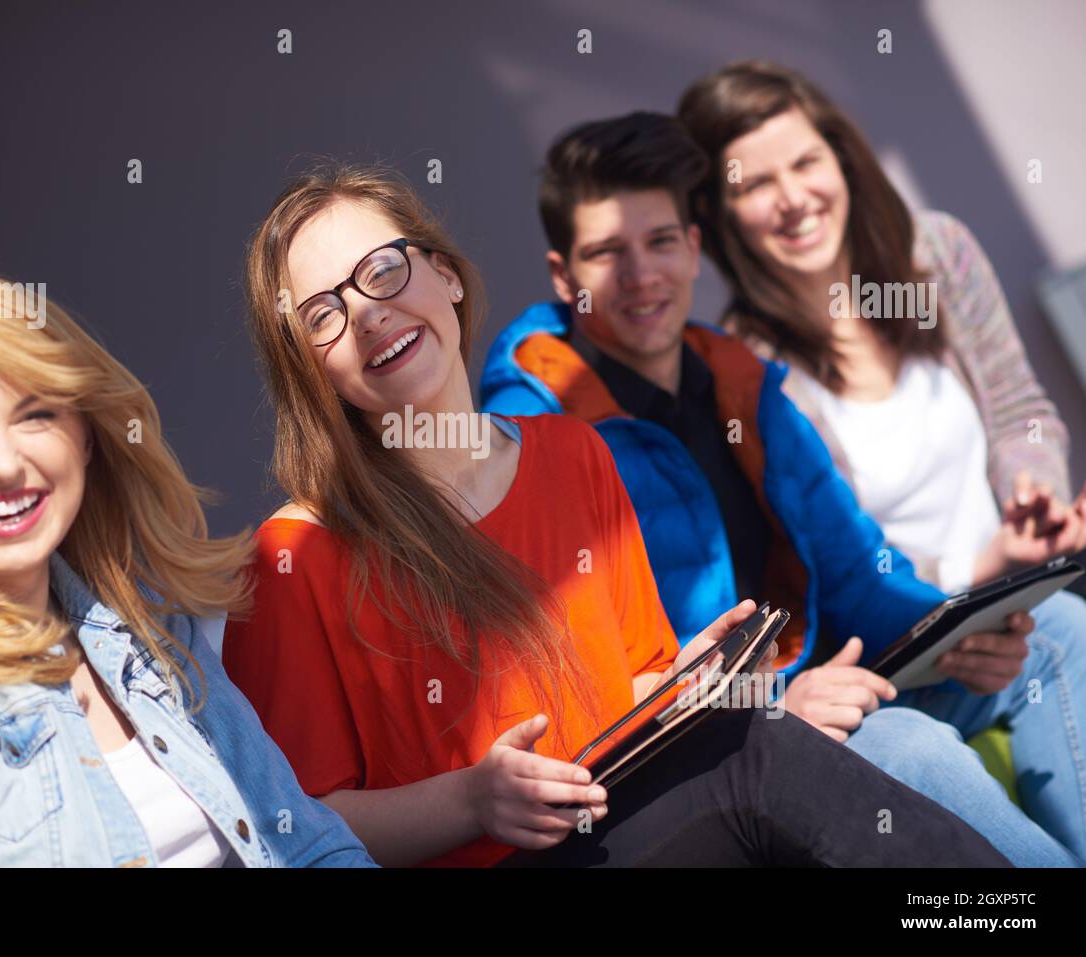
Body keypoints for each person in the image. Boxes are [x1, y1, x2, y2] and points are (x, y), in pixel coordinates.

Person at [221, 162, 1010, 868]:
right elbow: (297, 824)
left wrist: (688, 685)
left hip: (628, 820)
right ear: (306, 368)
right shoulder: (292, 556)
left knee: (776, 741)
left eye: (382, 271)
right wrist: (472, 799)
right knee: (763, 754)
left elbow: (625, 687)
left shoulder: (571, 453)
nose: (365, 314)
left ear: (446, 274)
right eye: (322, 314)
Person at [478, 111, 1081, 866]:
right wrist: (765, 709)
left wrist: (957, 635)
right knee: (912, 750)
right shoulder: (528, 420)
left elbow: (857, 570)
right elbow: (576, 674)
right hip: (706, 745)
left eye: (661, 241)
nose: (640, 277)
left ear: (694, 248)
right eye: (607, 254)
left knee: (1059, 630)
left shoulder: (738, 377)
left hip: (818, 681)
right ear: (564, 275)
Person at [0, 272, 374, 868]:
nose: (2, 463)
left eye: (34, 415)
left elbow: (306, 848)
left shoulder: (144, 621)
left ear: (85, 437)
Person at [677, 61, 1086, 861]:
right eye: (755, 183)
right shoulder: (748, 371)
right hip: (899, 655)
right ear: (721, 216)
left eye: (805, 162)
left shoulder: (938, 254)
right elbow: (836, 561)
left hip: (1017, 604)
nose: (794, 197)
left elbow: (1017, 407)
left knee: (1066, 623)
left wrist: (1031, 490)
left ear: (841, 159)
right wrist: (978, 565)